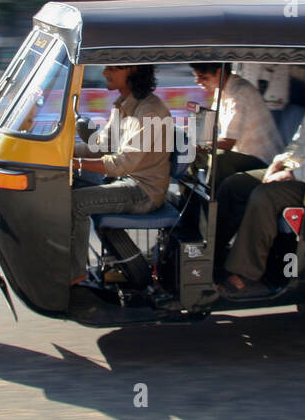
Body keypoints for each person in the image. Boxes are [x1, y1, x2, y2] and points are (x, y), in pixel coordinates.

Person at [215, 71, 305, 299]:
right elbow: (296, 144)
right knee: (235, 184)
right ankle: (216, 254)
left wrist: (294, 174)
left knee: (264, 196)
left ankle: (245, 273)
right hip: (293, 169)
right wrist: (278, 164)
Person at [69, 64, 174, 286]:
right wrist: (60, 150)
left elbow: (121, 164)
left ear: (134, 70)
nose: (105, 72)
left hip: (143, 191)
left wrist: (75, 163)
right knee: (73, 183)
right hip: (125, 180)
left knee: (75, 203)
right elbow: (101, 146)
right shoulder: (124, 106)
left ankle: (74, 273)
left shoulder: (149, 112)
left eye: (114, 67)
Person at [189, 61, 283, 187]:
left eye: (204, 77)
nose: (198, 82)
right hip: (242, 154)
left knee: (219, 157)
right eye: (196, 76)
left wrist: (196, 146)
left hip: (262, 159)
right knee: (191, 149)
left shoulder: (240, 93)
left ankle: (212, 202)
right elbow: (209, 127)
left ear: (220, 72)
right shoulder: (222, 90)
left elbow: (228, 142)